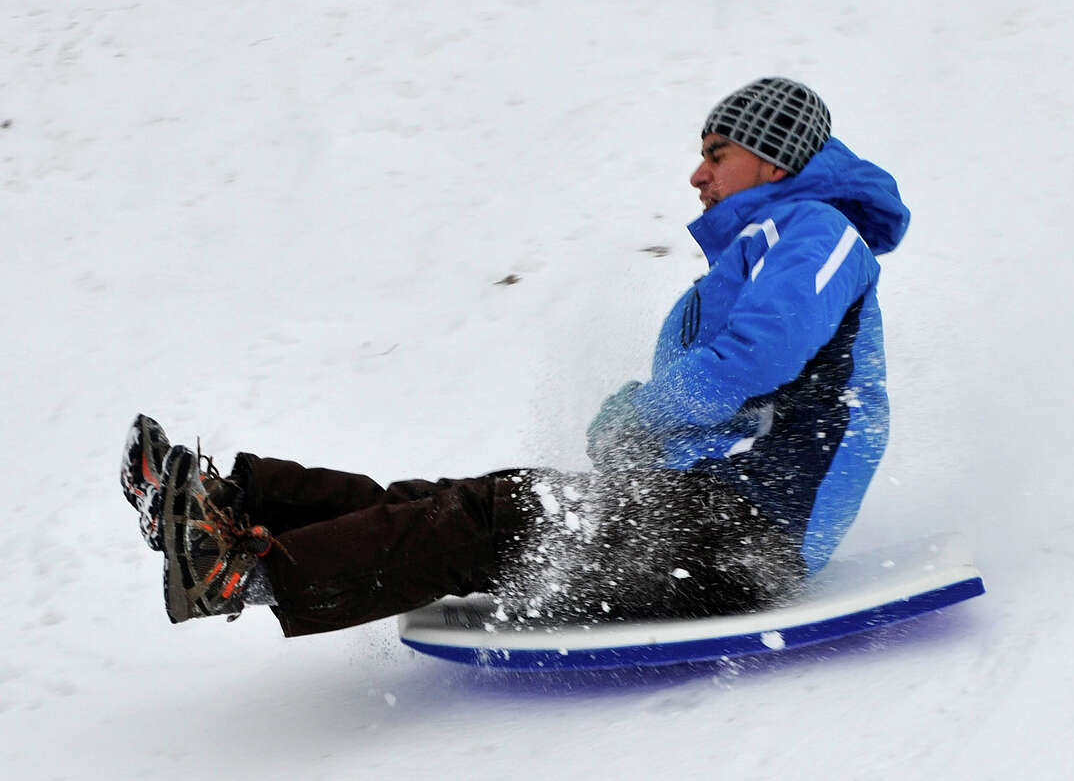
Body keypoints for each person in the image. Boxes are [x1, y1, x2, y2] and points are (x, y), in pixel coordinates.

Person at [120, 77, 910, 637]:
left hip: (751, 539)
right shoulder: (725, 280)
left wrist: (646, 409)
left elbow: (753, 362)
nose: (696, 173)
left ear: (773, 163)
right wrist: (629, 424)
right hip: (700, 514)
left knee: (496, 517)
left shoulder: (818, 233)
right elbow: (698, 406)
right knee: (471, 500)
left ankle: (239, 571)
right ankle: (238, 506)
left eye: (718, 152)